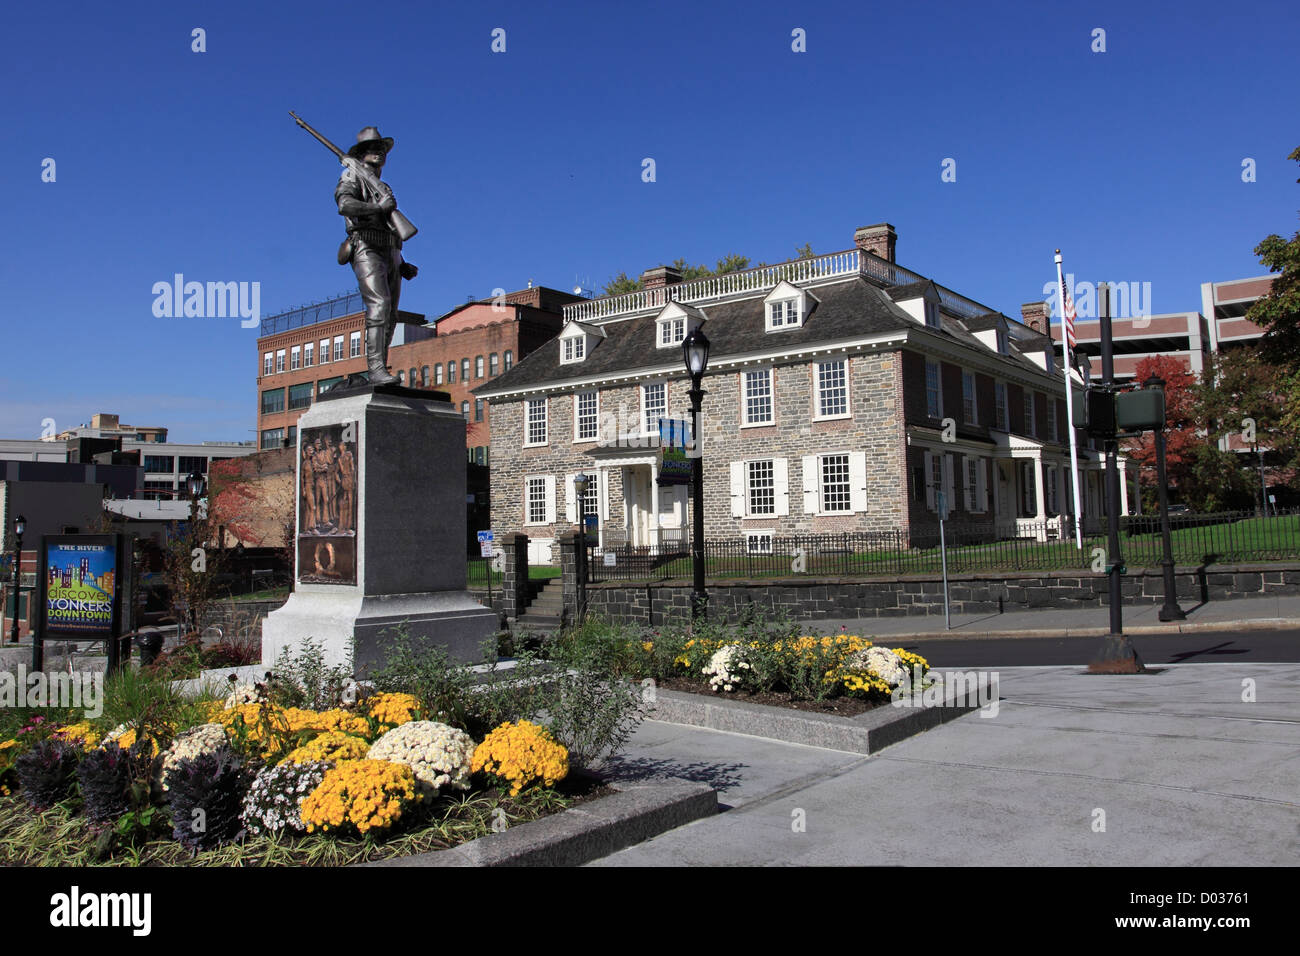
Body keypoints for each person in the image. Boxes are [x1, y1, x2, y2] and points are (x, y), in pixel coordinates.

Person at [335, 126, 418, 385]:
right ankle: (376, 369)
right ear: (361, 153)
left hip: (391, 250)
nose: (379, 153)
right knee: (379, 305)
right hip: (366, 246)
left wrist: (402, 263)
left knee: (391, 313)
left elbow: (388, 223)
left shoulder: (382, 184)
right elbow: (344, 204)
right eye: (373, 149)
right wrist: (376, 206)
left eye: (382, 149)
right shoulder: (352, 175)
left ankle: (381, 369)